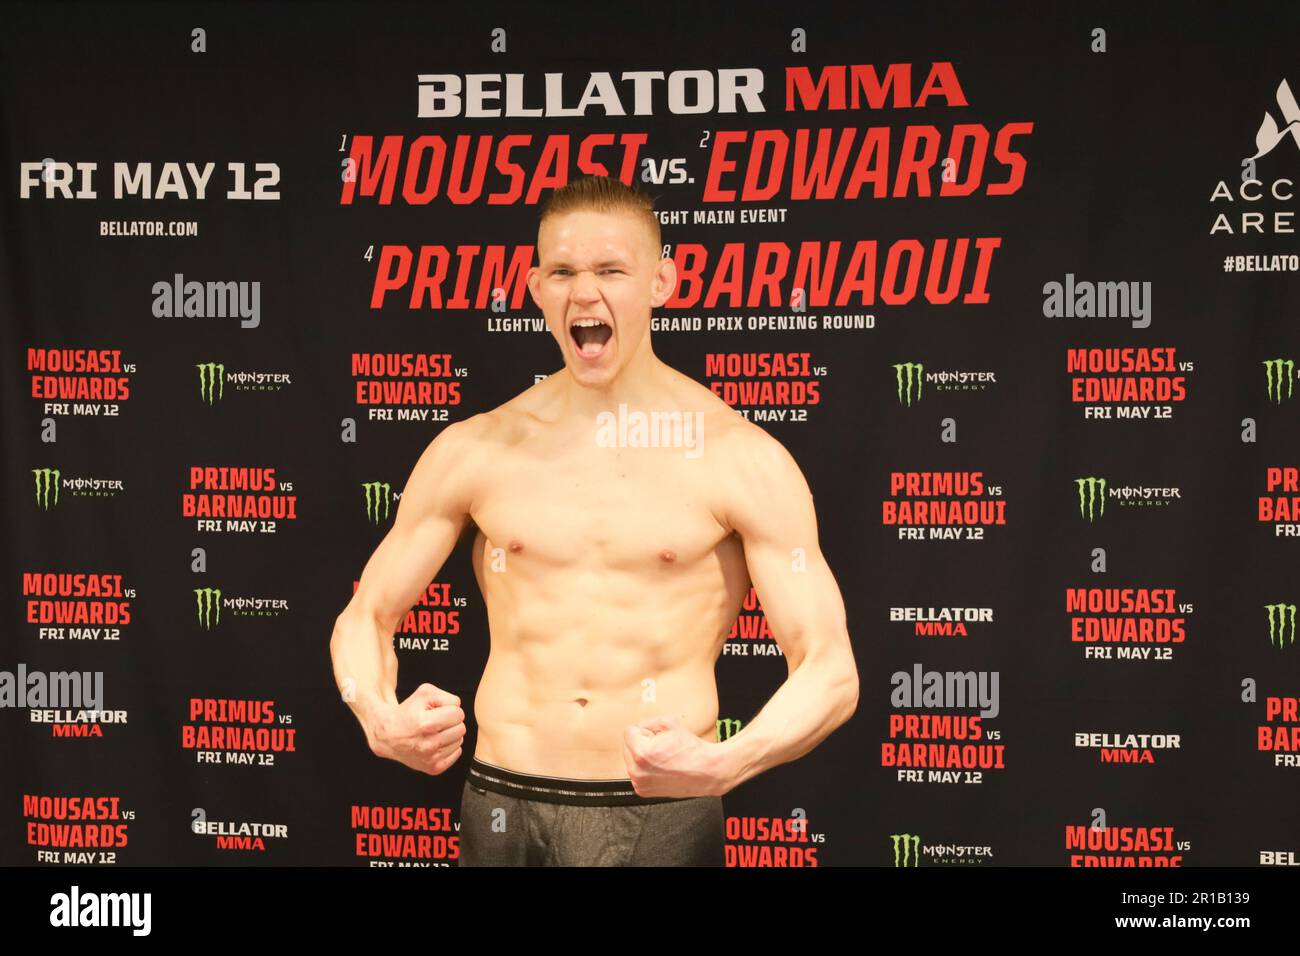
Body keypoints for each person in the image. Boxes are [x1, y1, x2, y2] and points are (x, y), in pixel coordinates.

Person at [329, 174, 858, 866]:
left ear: (662, 282)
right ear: (535, 288)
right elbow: (364, 617)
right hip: (500, 802)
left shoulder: (737, 457)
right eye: (563, 271)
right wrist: (379, 717)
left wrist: (729, 764)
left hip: (656, 815)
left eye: (611, 269)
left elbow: (830, 668)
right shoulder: (477, 449)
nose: (585, 292)